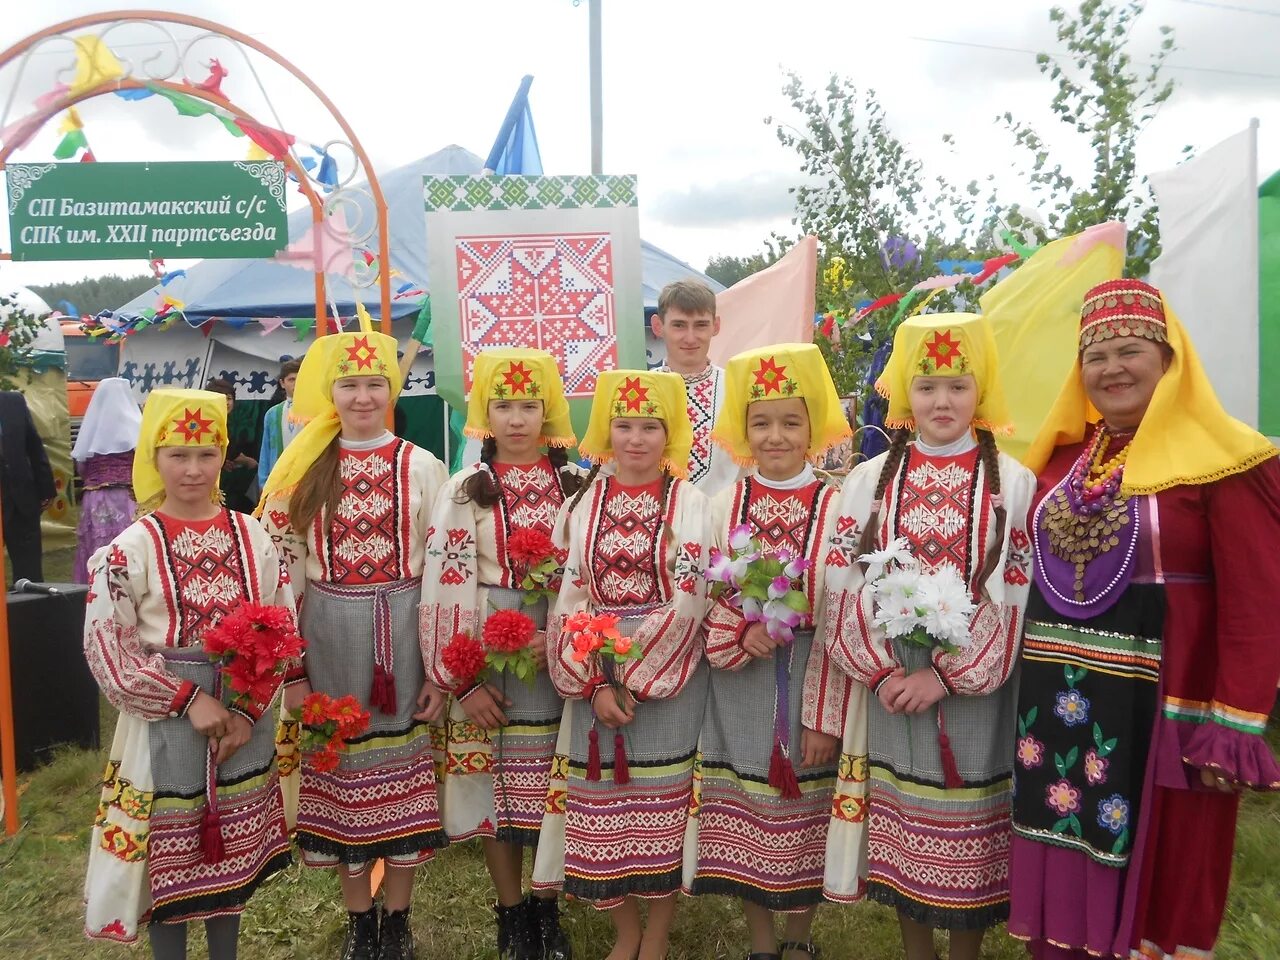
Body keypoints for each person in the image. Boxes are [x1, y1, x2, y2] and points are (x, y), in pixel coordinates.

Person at [1007, 279, 1280, 959]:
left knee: (1166, 869)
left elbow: (1258, 598)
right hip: (1067, 701)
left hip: (1168, 704)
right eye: (1096, 357)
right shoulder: (1066, 460)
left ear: (1168, 360)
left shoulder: (1223, 460)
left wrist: (1236, 719)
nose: (1112, 369)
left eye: (1130, 350)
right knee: (1067, 845)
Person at [824, 313, 1036, 960]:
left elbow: (1013, 590)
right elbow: (842, 578)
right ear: (902, 393)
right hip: (889, 682)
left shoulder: (1012, 484)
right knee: (899, 825)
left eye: (957, 385)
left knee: (965, 831)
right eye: (926, 386)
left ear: (982, 389)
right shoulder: (869, 480)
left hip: (974, 687)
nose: (941, 402)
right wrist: (884, 668)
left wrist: (947, 673)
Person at [259, 320, 449, 960]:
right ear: (329, 392)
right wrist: (292, 672)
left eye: (374, 384)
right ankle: (359, 919)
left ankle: (397, 918)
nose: (362, 397)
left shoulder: (423, 467)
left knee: (401, 775)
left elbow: (443, 568)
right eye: (349, 385)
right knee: (339, 770)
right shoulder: (306, 470)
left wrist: (439, 667)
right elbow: (280, 574)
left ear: (391, 388)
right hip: (329, 632)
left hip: (404, 626)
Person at [82, 388, 295, 957]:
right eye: (178, 454)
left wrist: (248, 712)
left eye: (206, 453)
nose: (194, 469)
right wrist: (188, 699)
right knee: (168, 865)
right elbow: (111, 649)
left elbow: (281, 626)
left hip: (242, 720)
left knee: (229, 864)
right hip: (164, 727)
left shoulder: (254, 537)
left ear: (224, 456)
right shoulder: (130, 549)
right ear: (154, 457)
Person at [686, 344, 858, 960]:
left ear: (814, 426)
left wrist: (825, 714)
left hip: (812, 673)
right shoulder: (717, 506)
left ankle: (798, 940)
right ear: (741, 429)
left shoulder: (840, 507)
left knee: (805, 808)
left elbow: (843, 610)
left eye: (790, 422)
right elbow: (702, 591)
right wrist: (739, 627)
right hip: (742, 680)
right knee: (750, 807)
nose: (776, 436)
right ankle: (760, 942)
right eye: (761, 422)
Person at [421, 349, 583, 960]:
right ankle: (511, 909)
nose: (517, 419)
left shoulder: (575, 484)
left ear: (549, 409)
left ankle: (548, 905)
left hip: (554, 647)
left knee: (547, 782)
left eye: (529, 405)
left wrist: (567, 640)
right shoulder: (466, 489)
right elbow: (444, 579)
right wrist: (462, 679)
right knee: (492, 782)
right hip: (484, 645)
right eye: (503, 405)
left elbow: (589, 573)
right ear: (483, 412)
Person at [547, 370, 712, 960]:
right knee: (602, 808)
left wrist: (634, 675)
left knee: (663, 803)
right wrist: (595, 682)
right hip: (598, 662)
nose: (636, 439)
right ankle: (625, 933)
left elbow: (692, 595)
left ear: (670, 435)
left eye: (650, 426)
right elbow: (569, 597)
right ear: (605, 431)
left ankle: (658, 936)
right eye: (624, 425)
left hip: (670, 671)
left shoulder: (692, 503)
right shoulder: (582, 505)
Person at [651, 279, 740, 496]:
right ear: (658, 326)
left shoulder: (738, 390)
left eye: (700, 325)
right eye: (679, 325)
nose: (690, 338)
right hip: (657, 525)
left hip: (724, 523)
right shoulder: (640, 390)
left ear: (715, 326)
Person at [71, 377, 141, 583]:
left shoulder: (92, 428)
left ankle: (95, 586)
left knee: (97, 545)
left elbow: (81, 466)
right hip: (127, 496)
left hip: (95, 496)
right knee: (127, 544)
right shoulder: (137, 425)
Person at [0, 389, 55, 581]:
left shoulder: (13, 402)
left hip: (21, 501)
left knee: (29, 572)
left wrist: (46, 488)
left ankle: (30, 608)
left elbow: (34, 446)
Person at [204, 378, 257, 512]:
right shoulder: (207, 423)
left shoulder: (227, 421)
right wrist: (246, 461)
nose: (226, 403)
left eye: (229, 398)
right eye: (221, 398)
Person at [257, 358, 303, 490]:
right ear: (282, 383)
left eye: (300, 379)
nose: (296, 383)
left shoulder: (315, 411)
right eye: (291, 379)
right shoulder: (273, 413)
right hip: (277, 481)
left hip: (305, 479)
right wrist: (263, 483)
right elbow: (265, 450)